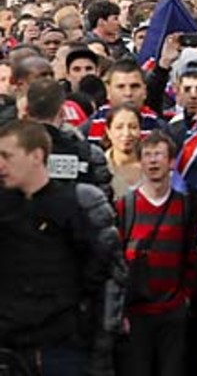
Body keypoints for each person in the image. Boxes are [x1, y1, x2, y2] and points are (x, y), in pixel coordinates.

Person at [0, 119, 124, 375]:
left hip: (61, 349)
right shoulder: (4, 208)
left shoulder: (71, 207)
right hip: (9, 347)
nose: (1, 165)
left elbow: (100, 272)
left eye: (7, 156)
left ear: (36, 156)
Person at [116, 130, 197, 376]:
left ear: (171, 162)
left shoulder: (185, 205)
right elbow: (115, 261)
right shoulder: (125, 206)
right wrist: (119, 312)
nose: (153, 161)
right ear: (140, 162)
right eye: (148, 155)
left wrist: (186, 297)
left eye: (159, 155)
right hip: (136, 312)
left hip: (172, 310)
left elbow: (191, 254)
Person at [24, 77, 112, 199]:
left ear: (26, 111)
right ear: (62, 112)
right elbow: (102, 200)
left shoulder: (10, 153)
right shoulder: (89, 153)